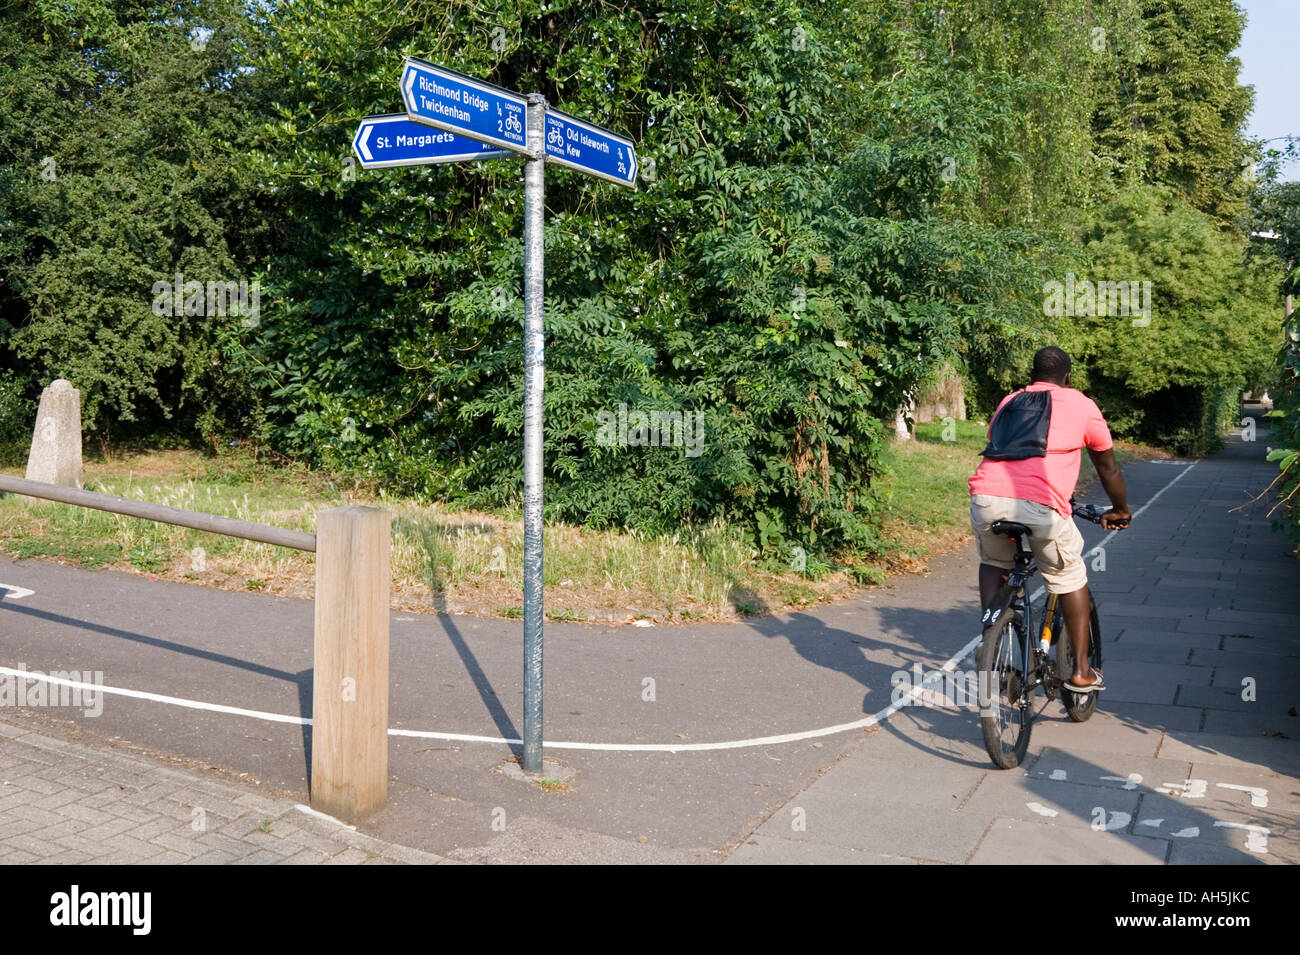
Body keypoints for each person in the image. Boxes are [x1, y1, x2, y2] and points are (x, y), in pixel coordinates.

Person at [968, 346, 1130, 692]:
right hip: (1040, 506)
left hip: (986, 499)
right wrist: (1120, 509)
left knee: (994, 561)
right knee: (1069, 578)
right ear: (1068, 378)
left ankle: (990, 639)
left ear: (1031, 376)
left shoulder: (1009, 401)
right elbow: (1108, 467)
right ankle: (1082, 672)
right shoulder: (1082, 404)